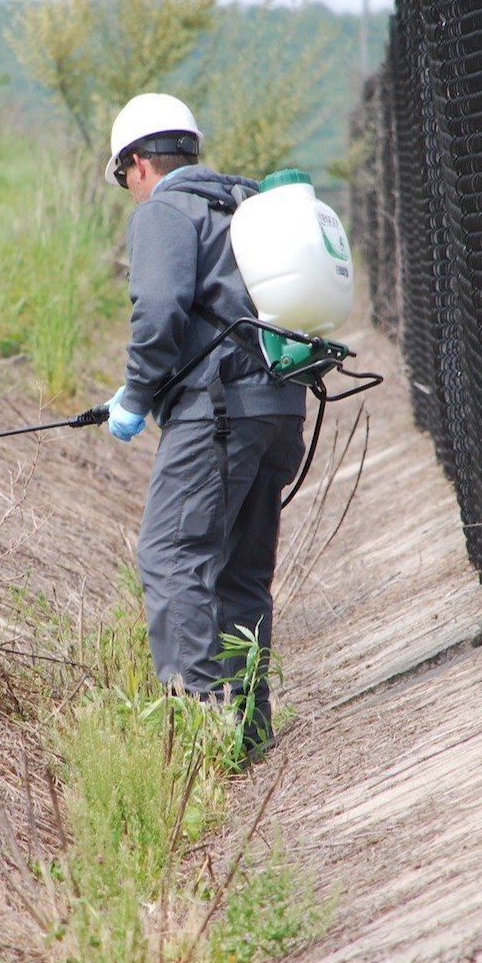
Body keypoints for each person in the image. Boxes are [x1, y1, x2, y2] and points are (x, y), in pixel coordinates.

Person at [102, 92, 306, 757]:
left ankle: (196, 735)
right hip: (278, 407)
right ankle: (246, 731)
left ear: (137, 162)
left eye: (123, 176)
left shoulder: (166, 209)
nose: (129, 190)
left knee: (172, 557)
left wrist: (135, 394)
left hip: (216, 417)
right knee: (240, 575)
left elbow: (159, 309)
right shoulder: (241, 202)